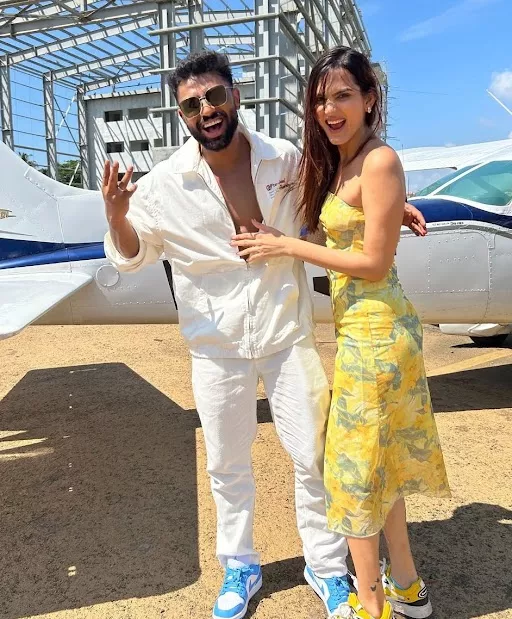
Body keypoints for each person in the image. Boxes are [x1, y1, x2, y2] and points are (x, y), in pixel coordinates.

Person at [102, 50, 428, 619]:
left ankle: (326, 566)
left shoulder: (285, 158)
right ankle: (240, 564)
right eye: (192, 105)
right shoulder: (164, 184)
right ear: (181, 116)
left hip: (285, 333)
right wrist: (115, 215)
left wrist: (390, 207)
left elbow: (326, 207)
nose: (206, 110)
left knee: (314, 458)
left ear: (235, 97)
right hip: (216, 345)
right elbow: (132, 257)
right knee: (227, 464)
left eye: (215, 97)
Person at [232, 46, 450, 619]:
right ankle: (407, 587)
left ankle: (371, 603)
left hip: (378, 335)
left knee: (351, 474)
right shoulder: (342, 161)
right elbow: (346, 228)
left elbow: (374, 264)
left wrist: (285, 246)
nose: (329, 109)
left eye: (343, 96)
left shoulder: (377, 161)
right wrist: (392, 210)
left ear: (370, 99)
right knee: (381, 466)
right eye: (320, 99)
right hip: (363, 331)